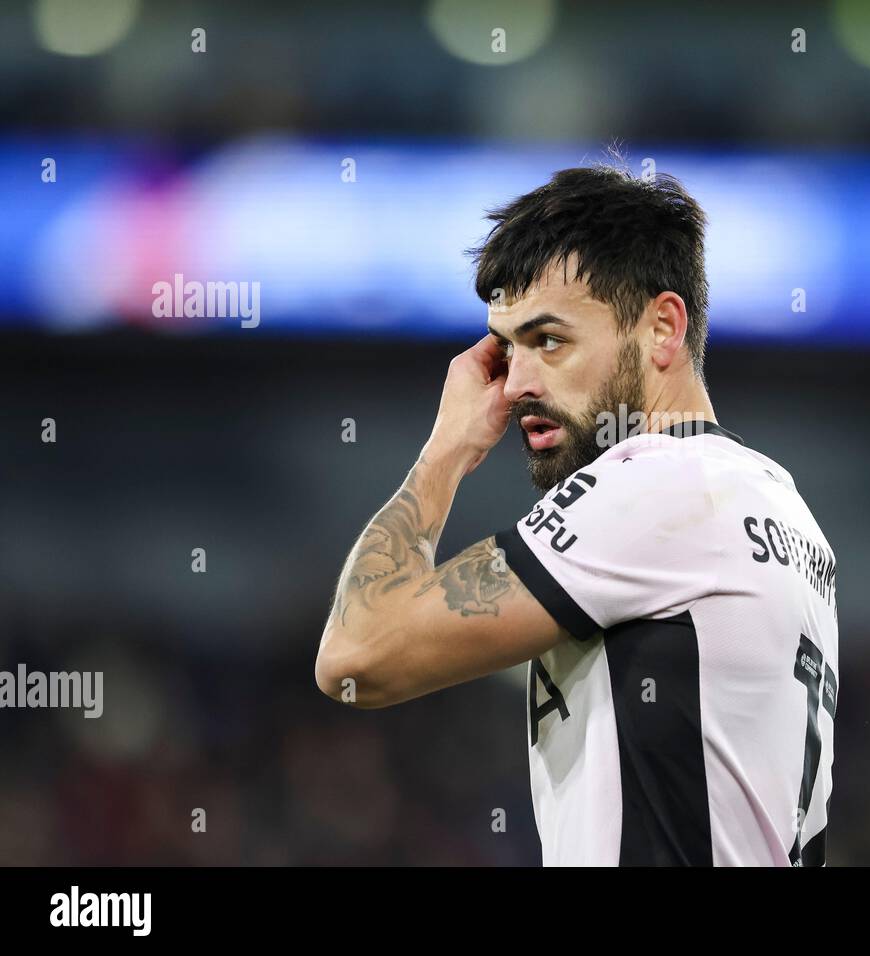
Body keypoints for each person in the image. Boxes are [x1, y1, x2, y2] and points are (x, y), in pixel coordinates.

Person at [315, 165, 839, 866]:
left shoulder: (660, 485)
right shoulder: (780, 504)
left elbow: (357, 656)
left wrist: (443, 453)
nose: (518, 385)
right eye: (507, 349)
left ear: (662, 327)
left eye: (550, 341)